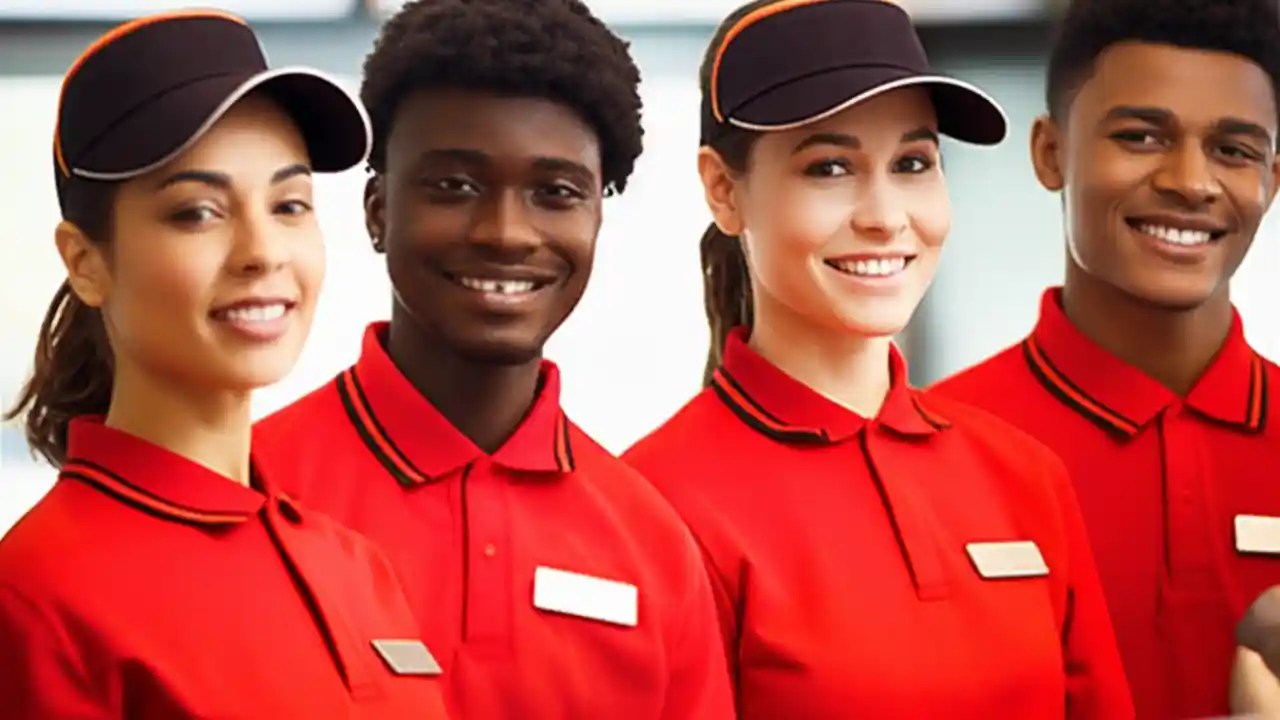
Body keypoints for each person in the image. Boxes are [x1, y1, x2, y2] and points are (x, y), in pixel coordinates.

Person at [622, 0, 1134, 717]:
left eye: (913, 163)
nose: (886, 217)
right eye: (829, 167)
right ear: (723, 190)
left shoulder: (1026, 479)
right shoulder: (652, 507)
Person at [251, 1, 734, 717]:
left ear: (596, 221)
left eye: (555, 193)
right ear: (377, 210)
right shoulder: (250, 491)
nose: (507, 233)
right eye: (455, 186)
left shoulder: (653, 543)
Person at [0, 11, 449, 719]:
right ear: (85, 263)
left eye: (289, 205)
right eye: (197, 213)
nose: (261, 251)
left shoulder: (357, 567)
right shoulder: (35, 599)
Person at [928, 0, 1280, 715]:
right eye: (1141, 137)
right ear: (1049, 152)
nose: (1191, 181)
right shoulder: (931, 450)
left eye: (1234, 150)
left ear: (1272, 178)